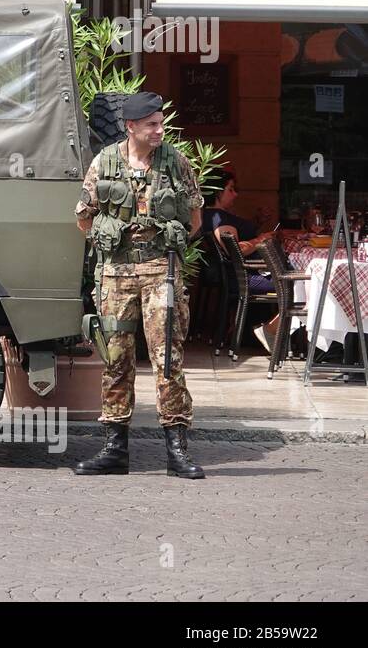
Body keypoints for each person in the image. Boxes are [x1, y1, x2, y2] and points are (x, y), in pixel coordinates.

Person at [73, 91, 206, 479]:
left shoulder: (175, 162)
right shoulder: (105, 163)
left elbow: (196, 219)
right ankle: (115, 449)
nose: (159, 130)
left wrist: (165, 240)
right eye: (151, 124)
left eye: (161, 123)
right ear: (130, 127)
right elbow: (84, 219)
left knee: (169, 360)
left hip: (160, 271)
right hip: (115, 274)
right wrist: (111, 238)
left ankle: (177, 451)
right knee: (116, 360)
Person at [204, 170, 282, 353]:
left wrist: (257, 223)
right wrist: (260, 240)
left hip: (242, 275)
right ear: (217, 192)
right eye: (230, 189)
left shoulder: (213, 216)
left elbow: (239, 236)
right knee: (299, 285)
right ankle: (272, 331)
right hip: (245, 277)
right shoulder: (219, 218)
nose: (235, 194)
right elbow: (234, 249)